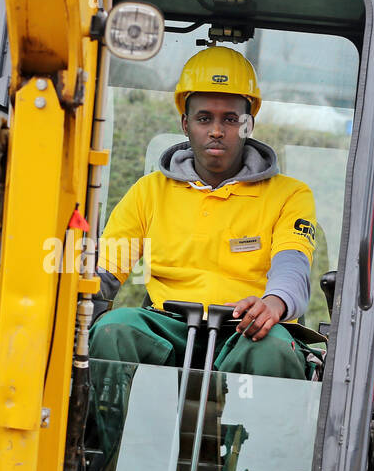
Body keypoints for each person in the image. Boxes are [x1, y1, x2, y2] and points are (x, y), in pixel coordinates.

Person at [90, 45, 316, 381]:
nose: (216, 130)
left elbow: (292, 265)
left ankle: (247, 436)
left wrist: (274, 302)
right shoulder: (149, 191)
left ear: (248, 124)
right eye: (204, 118)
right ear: (185, 123)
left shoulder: (290, 195)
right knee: (114, 330)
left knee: (274, 350)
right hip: (168, 327)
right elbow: (106, 268)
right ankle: (109, 436)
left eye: (230, 119)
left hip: (249, 329)